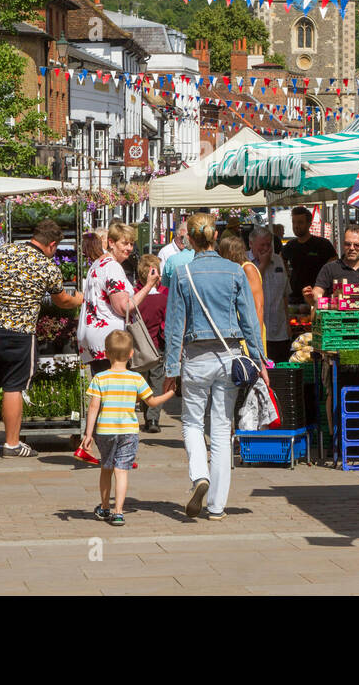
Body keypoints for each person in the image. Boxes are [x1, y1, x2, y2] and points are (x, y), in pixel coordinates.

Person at [163, 212, 267, 521]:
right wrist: (259, 360)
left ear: (190, 241)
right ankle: (217, 506)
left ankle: (199, 475)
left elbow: (174, 327)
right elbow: (249, 321)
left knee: (193, 423)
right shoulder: (236, 271)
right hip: (229, 356)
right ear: (215, 238)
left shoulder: (183, 274)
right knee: (222, 428)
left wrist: (171, 369)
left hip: (196, 358)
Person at [0, 219, 84, 459]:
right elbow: (61, 300)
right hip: (20, 332)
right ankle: (11, 444)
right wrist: (78, 300)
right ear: (52, 244)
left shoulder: (4, 250)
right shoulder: (46, 267)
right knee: (13, 386)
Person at [82, 330, 177, 526]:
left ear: (106, 353)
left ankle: (105, 507)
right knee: (122, 470)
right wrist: (170, 393)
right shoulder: (136, 379)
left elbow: (93, 407)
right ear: (131, 353)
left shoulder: (100, 378)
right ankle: (118, 512)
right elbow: (151, 402)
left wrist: (88, 434)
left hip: (105, 432)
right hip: (128, 432)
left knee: (106, 468)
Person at [78, 221, 160, 375]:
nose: (129, 248)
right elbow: (124, 308)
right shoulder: (112, 267)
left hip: (95, 336)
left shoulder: (98, 264)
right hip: (112, 341)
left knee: (104, 389)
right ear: (111, 243)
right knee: (116, 392)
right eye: (124, 243)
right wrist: (149, 285)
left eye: (131, 244)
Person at [135, 253, 168, 433]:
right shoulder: (163, 299)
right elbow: (166, 324)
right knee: (157, 382)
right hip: (157, 346)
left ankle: (146, 414)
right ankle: (153, 419)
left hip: (139, 346)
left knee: (142, 382)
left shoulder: (135, 298)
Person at [310, 223, 359, 305]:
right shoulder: (329, 268)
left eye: (357, 245)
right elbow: (317, 292)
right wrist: (311, 296)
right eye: (348, 244)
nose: (351, 248)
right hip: (337, 317)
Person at [250, 227, 292, 364]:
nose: (266, 248)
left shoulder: (278, 261)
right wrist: (262, 265)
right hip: (257, 333)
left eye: (269, 244)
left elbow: (285, 295)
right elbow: (248, 290)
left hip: (279, 331)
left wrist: (288, 324)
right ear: (251, 244)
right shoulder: (245, 263)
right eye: (262, 245)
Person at [217, 235, 266, 352]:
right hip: (241, 329)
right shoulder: (236, 269)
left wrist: (256, 340)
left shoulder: (248, 268)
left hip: (251, 331)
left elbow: (258, 306)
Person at [281, 206, 336, 303]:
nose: (296, 226)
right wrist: (287, 277)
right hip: (295, 297)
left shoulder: (322, 244)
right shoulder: (290, 245)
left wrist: (325, 284)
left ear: (309, 224)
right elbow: (281, 260)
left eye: (300, 222)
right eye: (294, 222)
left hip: (317, 297)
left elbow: (334, 262)